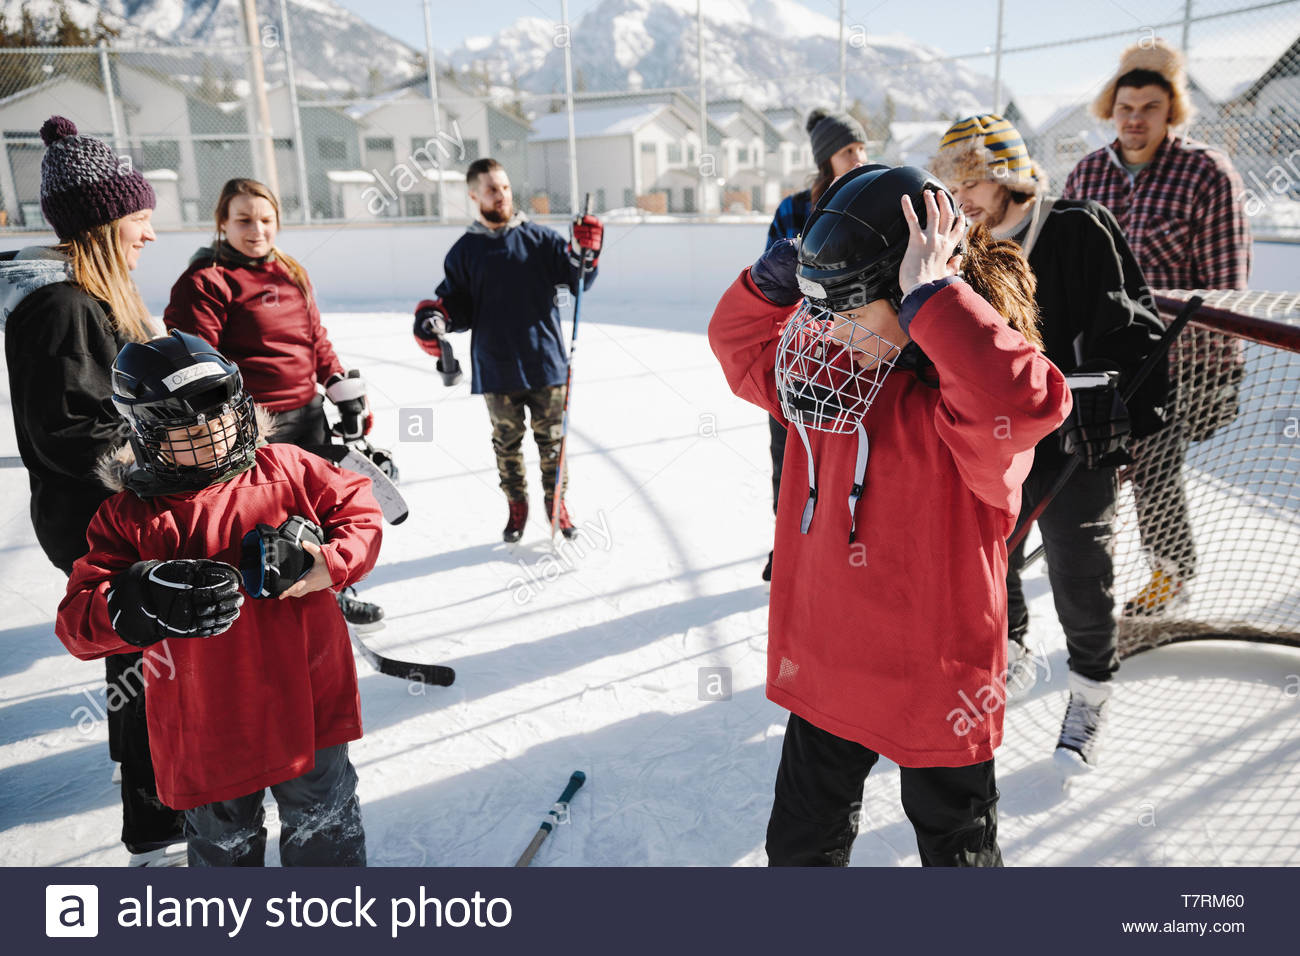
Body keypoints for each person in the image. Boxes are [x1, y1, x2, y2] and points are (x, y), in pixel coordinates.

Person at [709, 164, 1071, 866]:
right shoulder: (831, 384)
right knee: (800, 846)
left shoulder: (964, 419)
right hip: (826, 664)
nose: (824, 327)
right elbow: (740, 346)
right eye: (820, 309)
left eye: (847, 308)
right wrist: (771, 282)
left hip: (934, 677)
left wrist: (938, 297)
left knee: (956, 855)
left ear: (913, 293)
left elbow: (1026, 402)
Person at [56, 330, 381, 866]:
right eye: (185, 422)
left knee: (326, 838)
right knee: (223, 855)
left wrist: (326, 560)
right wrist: (138, 599)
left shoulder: (288, 469)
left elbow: (358, 508)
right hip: (206, 728)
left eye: (219, 410)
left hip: (308, 707)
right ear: (148, 430)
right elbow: (76, 623)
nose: (209, 428)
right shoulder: (131, 517)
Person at [931, 113, 1169, 772]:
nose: (965, 197)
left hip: (1072, 446)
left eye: (973, 179)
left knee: (1078, 571)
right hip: (996, 445)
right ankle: (1012, 647)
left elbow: (1137, 328)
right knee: (992, 560)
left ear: (1006, 173)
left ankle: (1091, 687)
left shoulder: (1076, 228)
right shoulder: (961, 247)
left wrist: (1111, 394)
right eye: (954, 184)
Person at [0, 115, 186, 866]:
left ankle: (149, 788)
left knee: (139, 657)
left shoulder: (91, 299)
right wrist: (176, 456)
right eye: (140, 220)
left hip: (114, 518)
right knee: (151, 666)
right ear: (106, 223)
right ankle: (157, 823)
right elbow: (76, 436)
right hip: (102, 524)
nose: (148, 235)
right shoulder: (65, 308)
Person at [1063, 38, 1252, 615]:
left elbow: (1226, 289)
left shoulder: (1206, 174)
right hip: (1106, 355)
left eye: (1149, 106)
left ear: (1171, 110)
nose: (1136, 118)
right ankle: (1087, 545)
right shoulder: (1088, 175)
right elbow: (1068, 268)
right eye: (1126, 107)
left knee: (1152, 458)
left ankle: (1172, 572)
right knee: (1087, 454)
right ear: (1109, 110)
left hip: (1184, 360)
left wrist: (1216, 372)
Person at [163, 178, 383, 630]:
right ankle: (272, 610)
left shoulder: (291, 271)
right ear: (222, 222)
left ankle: (336, 587)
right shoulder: (206, 280)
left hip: (309, 415)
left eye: (266, 219)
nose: (256, 229)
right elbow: (199, 365)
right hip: (254, 430)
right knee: (270, 524)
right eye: (243, 219)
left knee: (323, 512)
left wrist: (337, 382)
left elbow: (314, 339)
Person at [414, 157, 601, 542]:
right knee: (507, 444)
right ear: (472, 195)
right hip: (495, 367)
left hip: (546, 363)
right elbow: (456, 307)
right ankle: (517, 507)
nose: (501, 195)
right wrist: (437, 317)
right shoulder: (463, 252)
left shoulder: (542, 240)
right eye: (490, 189)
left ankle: (556, 506)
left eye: (504, 187)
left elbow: (577, 278)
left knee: (553, 444)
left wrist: (587, 252)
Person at [759, 109, 869, 582]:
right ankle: (786, 539)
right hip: (801, 352)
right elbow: (770, 276)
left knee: (845, 455)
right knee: (787, 454)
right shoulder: (793, 209)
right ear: (827, 160)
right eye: (849, 151)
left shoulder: (874, 199)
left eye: (862, 148)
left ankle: (837, 540)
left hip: (859, 352)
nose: (860, 157)